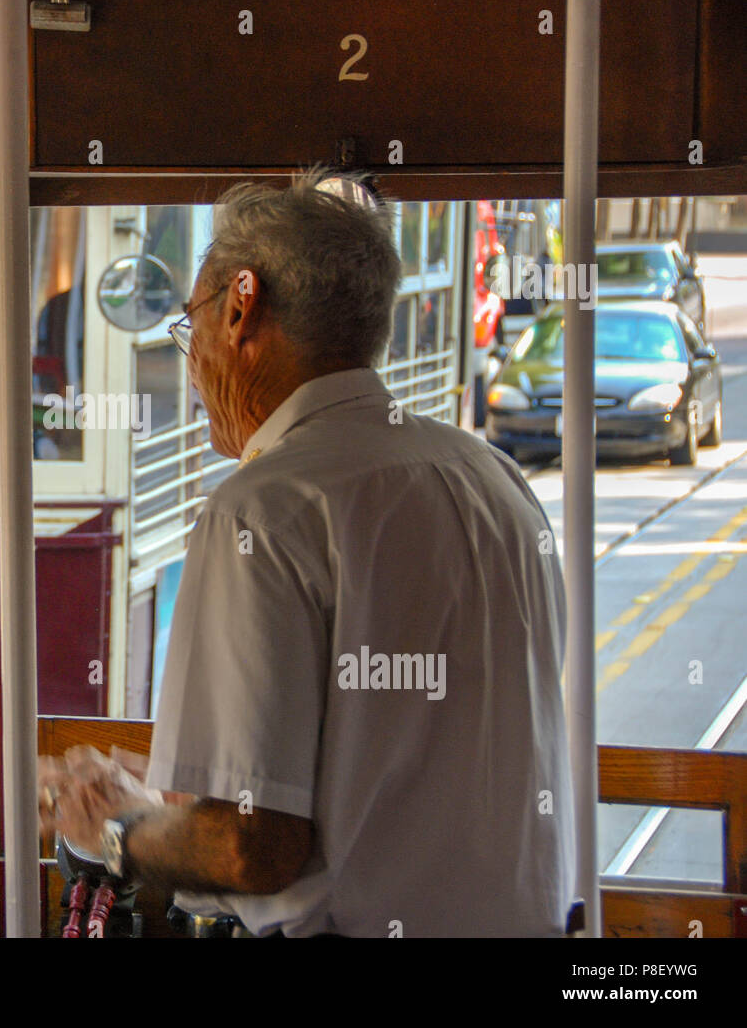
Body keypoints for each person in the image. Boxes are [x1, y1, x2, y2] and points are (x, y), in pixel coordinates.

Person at [39, 169, 576, 937]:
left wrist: (112, 829)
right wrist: (172, 801)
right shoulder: (495, 478)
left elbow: (255, 847)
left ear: (242, 305)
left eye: (190, 326)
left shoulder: (261, 509)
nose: (190, 365)